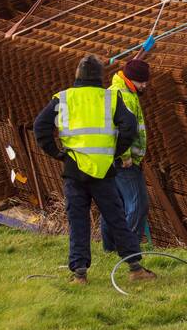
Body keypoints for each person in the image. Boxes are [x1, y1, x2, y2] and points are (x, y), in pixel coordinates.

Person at [33, 54, 156, 285]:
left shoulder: (63, 97)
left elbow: (40, 125)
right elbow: (129, 127)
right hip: (103, 171)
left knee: (78, 221)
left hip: (74, 171)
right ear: (100, 76)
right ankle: (135, 268)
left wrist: (57, 153)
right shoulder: (110, 98)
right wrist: (115, 151)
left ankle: (80, 274)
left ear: (78, 75)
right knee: (117, 218)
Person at [101, 58, 151, 253]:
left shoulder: (113, 92)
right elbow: (121, 130)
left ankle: (110, 249)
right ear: (132, 79)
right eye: (142, 82)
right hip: (125, 163)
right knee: (138, 205)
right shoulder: (126, 97)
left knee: (114, 206)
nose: (145, 86)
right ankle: (129, 251)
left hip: (108, 160)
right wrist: (125, 156)